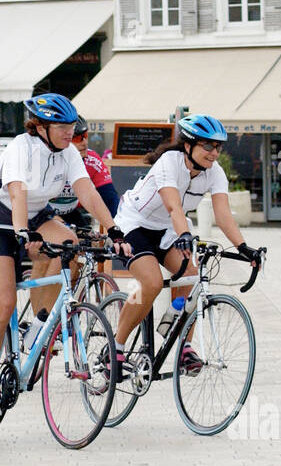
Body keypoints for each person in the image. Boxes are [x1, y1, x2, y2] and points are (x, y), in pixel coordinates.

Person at [0, 93, 129, 418]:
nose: (68, 132)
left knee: (71, 245)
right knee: (4, 302)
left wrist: (114, 229)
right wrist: (22, 232)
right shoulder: (21, 146)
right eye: (61, 126)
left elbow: (86, 191)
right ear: (40, 126)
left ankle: (39, 323)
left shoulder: (67, 154)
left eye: (71, 126)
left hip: (34, 218)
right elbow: (17, 190)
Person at [110, 114, 261, 375]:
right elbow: (173, 205)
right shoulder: (170, 162)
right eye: (208, 146)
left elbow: (223, 214)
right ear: (188, 145)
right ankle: (116, 348)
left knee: (191, 277)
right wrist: (185, 234)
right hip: (135, 223)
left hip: (168, 229)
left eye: (218, 147)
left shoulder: (215, 172)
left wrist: (243, 247)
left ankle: (183, 346)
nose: (214, 153)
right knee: (152, 283)